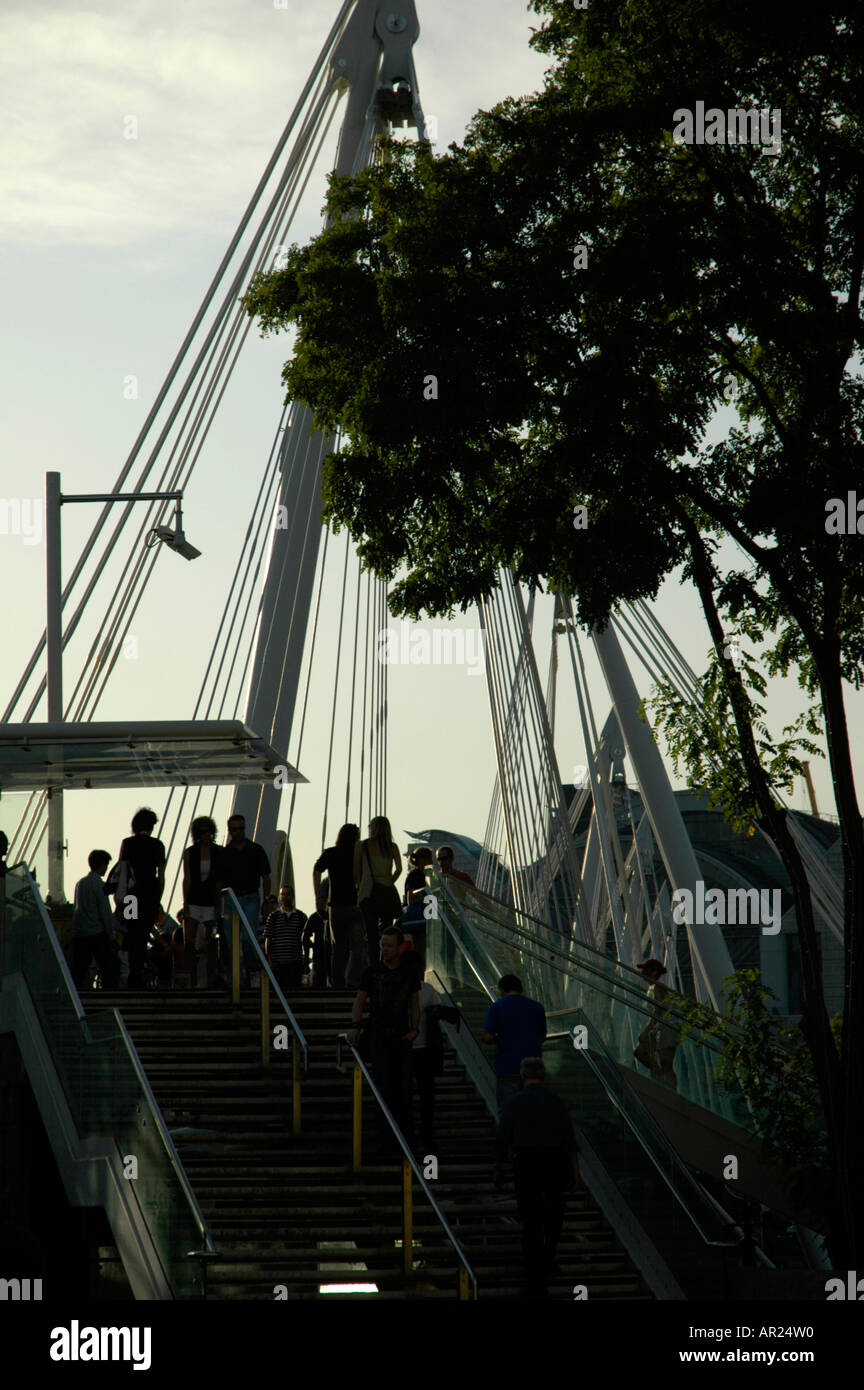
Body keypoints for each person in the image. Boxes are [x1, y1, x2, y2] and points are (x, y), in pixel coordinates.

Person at [495, 1057, 581, 1298]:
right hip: (555, 1164)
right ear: (543, 1077)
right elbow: (568, 1139)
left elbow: (502, 1137)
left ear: (523, 1077)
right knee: (554, 1216)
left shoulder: (514, 1103)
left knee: (530, 1219)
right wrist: (575, 1171)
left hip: (527, 1164)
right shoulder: (556, 1103)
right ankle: (548, 1255)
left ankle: (534, 1270)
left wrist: (500, 1166)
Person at [348, 926, 420, 1150]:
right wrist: (355, 1026)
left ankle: (404, 1137)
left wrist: (414, 1029)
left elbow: (414, 1004)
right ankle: (385, 1136)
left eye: (389, 946)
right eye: (382, 945)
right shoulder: (372, 972)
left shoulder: (408, 973)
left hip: (400, 1035)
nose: (385, 950)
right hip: (378, 1034)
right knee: (384, 1084)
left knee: (403, 1086)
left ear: (399, 947)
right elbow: (359, 1001)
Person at [116, 809, 166, 990]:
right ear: (151, 826)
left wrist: (120, 900)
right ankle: (138, 973)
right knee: (144, 933)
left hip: (131, 896)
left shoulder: (127, 844)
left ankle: (133, 974)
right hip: (149, 895)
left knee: (131, 933)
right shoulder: (157, 845)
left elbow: (123, 872)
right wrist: (158, 897)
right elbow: (161, 875)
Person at [483, 974, 547, 1110]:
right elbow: (542, 1036)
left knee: (508, 1110)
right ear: (520, 988)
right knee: (532, 1111)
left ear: (502, 989)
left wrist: (499, 1039)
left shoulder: (497, 1007)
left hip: (508, 1066)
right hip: (533, 1068)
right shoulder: (537, 1007)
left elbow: (487, 1037)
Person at [221, 814, 271, 987]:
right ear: (229, 831)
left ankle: (251, 969)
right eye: (235, 829)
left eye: (241, 828)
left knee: (248, 939)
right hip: (230, 900)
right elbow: (219, 882)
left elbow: (266, 876)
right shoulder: (225, 854)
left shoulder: (256, 850)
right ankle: (235, 982)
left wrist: (267, 899)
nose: (239, 832)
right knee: (230, 943)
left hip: (250, 897)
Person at [314, 824, 365, 987]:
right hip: (356, 904)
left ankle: (338, 983)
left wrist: (318, 896)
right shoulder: (360, 854)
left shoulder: (331, 853)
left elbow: (316, 870)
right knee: (358, 946)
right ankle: (353, 979)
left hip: (335, 906)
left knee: (338, 948)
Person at [354, 816, 402, 968]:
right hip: (387, 893)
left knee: (371, 932)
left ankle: (374, 966)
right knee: (387, 931)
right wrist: (389, 881)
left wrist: (360, 886)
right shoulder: (392, 847)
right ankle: (386, 964)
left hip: (368, 893)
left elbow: (356, 872)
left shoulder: (363, 845)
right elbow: (399, 869)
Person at [182, 817, 224, 988]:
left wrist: (218, 903)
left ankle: (209, 977)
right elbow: (188, 878)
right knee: (189, 941)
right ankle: (192, 978)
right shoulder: (190, 852)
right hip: (194, 899)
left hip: (210, 900)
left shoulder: (218, 852)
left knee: (211, 941)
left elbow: (219, 880)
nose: (205, 835)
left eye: (208, 832)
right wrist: (185, 902)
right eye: (202, 832)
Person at [71, 851, 119, 990]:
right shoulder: (99, 885)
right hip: (97, 933)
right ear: (102, 865)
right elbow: (105, 912)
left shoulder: (80, 884)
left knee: (79, 970)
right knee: (108, 968)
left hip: (81, 933)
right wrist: (111, 935)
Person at [633, 958, 679, 1090]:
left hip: (665, 1029)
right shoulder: (654, 988)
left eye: (645, 970)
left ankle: (670, 1090)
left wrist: (647, 1031)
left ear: (654, 972)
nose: (642, 973)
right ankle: (661, 1080)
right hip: (661, 1029)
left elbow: (658, 1011)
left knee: (666, 1063)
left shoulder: (657, 988)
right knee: (644, 1054)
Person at [264, 885, 308, 989]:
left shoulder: (301, 916)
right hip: (278, 964)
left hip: (295, 963)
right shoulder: (273, 917)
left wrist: (305, 960)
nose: (285, 897)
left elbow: (305, 940)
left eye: (287, 894)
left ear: (292, 896)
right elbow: (268, 940)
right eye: (282, 894)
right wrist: (270, 962)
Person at [401, 847, 434, 967]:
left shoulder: (420, 874)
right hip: (418, 918)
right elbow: (410, 896)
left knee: (421, 948)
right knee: (419, 948)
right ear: (423, 859)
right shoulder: (417, 875)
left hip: (421, 917)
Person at [303, 883, 331, 989]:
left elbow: (305, 938)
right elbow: (305, 938)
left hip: (328, 956)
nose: (318, 904)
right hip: (319, 957)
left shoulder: (322, 917)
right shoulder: (315, 918)